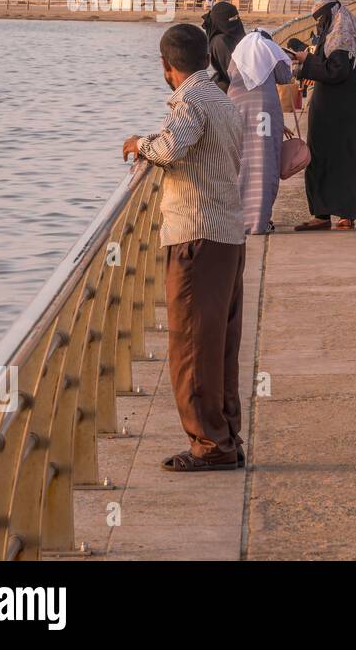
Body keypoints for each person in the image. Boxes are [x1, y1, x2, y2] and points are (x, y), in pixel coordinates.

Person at [121, 24, 246, 472]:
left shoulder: (190, 101)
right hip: (226, 233)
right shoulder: (220, 98)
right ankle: (226, 436)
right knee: (220, 345)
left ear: (166, 65)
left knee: (191, 345)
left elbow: (171, 147)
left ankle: (210, 446)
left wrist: (139, 144)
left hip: (196, 235)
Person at [288, 0, 356, 231]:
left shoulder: (341, 40)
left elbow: (336, 72)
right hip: (329, 112)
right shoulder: (332, 36)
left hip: (344, 114)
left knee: (344, 162)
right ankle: (321, 214)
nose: (319, 25)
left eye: (321, 19)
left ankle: (346, 213)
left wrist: (306, 60)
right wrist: (307, 59)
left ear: (332, 14)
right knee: (320, 159)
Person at [226, 26, 293, 234]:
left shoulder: (238, 53)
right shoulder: (270, 49)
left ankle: (240, 219)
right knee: (266, 163)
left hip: (238, 107)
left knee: (241, 162)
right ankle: (260, 221)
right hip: (266, 110)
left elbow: (229, 74)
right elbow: (285, 77)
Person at [203, 1, 246, 93]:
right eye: (232, 18)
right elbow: (233, 72)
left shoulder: (230, 37)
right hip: (231, 90)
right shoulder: (220, 42)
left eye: (237, 17)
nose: (236, 20)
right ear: (221, 21)